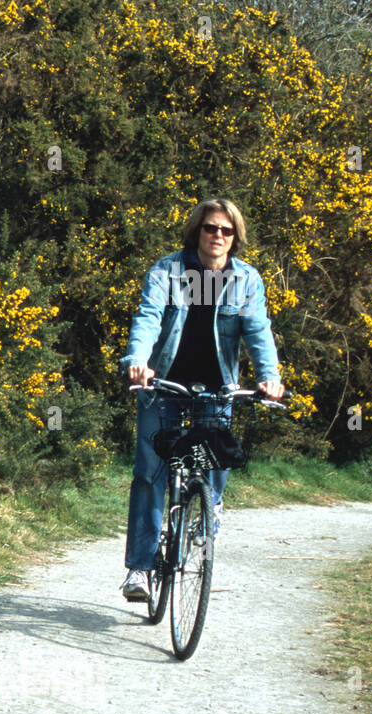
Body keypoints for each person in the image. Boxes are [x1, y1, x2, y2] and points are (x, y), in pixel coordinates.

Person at [119, 198, 285, 602]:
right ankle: (139, 569)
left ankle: (206, 515)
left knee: (214, 467)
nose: (218, 236)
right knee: (151, 474)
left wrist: (269, 377)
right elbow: (148, 317)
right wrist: (138, 362)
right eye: (211, 228)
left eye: (226, 231)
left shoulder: (246, 279)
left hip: (216, 388)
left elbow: (258, 331)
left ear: (235, 238)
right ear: (197, 231)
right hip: (164, 387)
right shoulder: (168, 270)